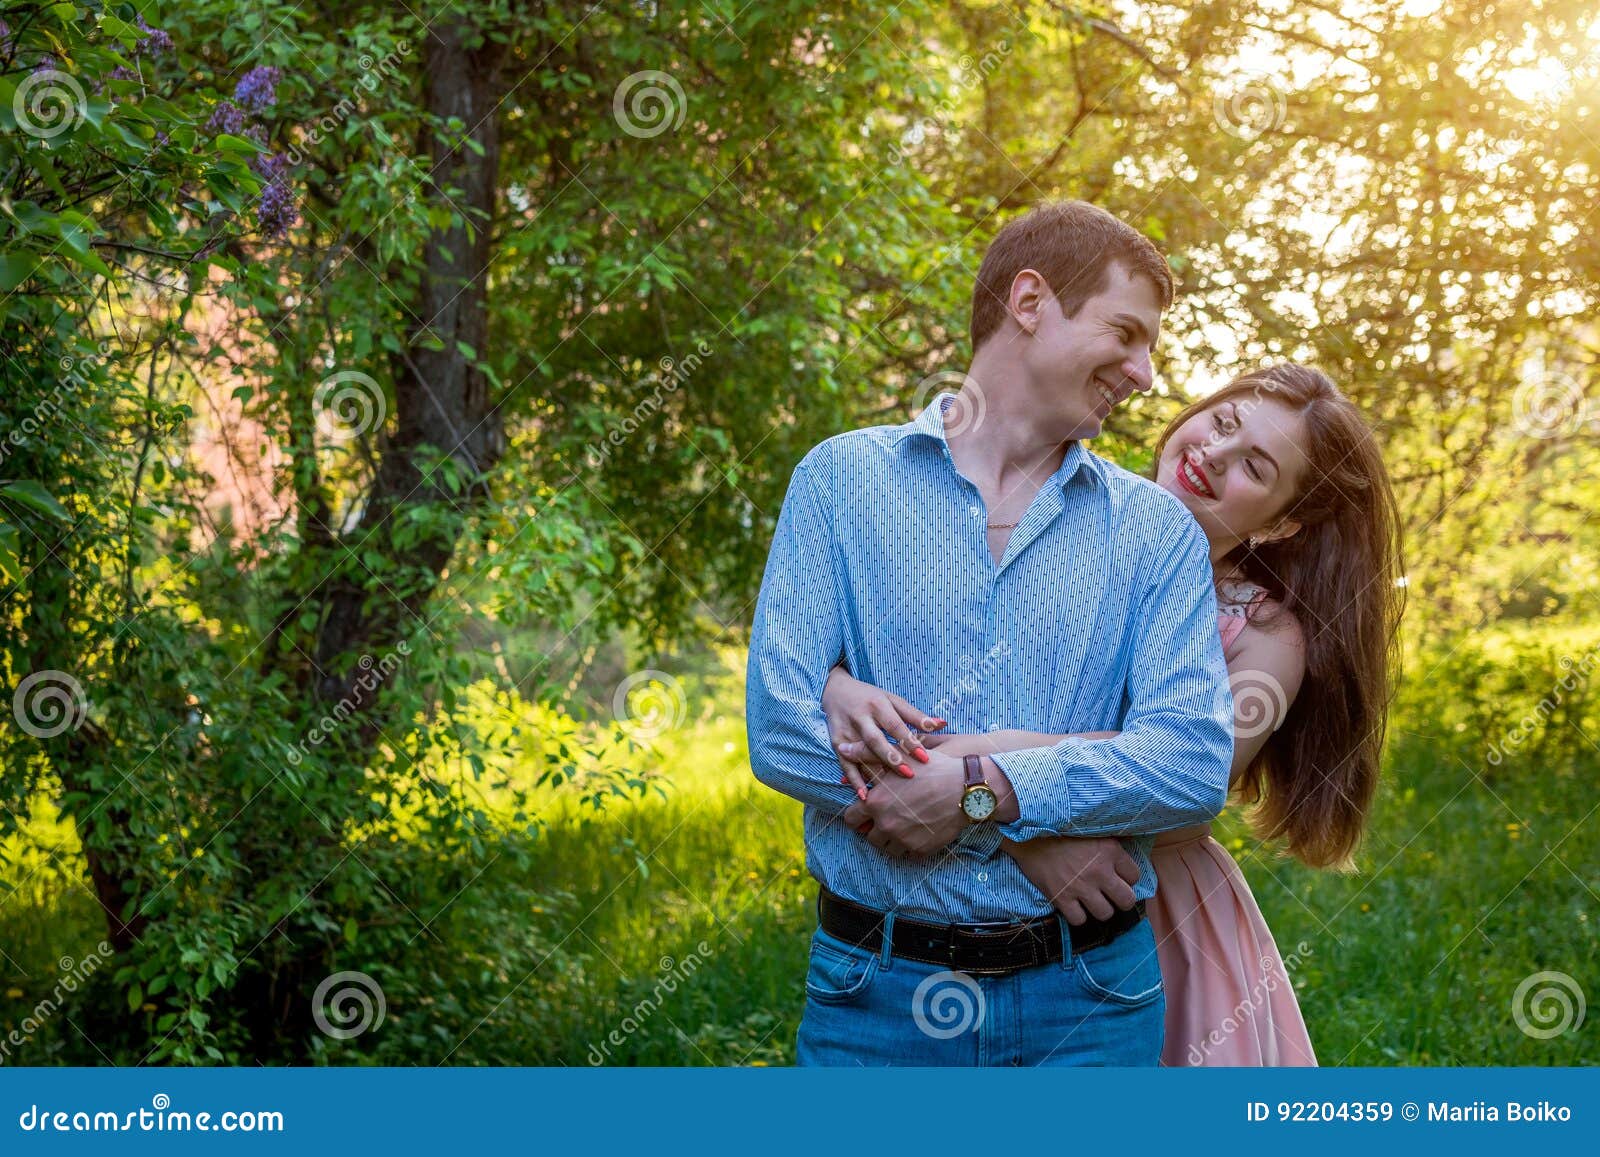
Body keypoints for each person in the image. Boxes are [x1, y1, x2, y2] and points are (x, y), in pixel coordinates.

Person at [745, 200, 1233, 1066]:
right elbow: (782, 733)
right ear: (1031, 300)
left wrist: (982, 789)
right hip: (873, 999)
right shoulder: (839, 481)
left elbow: (1190, 765)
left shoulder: (1158, 533)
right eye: (1126, 333)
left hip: (1090, 1004)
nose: (1147, 373)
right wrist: (1017, 824)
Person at [826, 363, 1404, 1066]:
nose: (1214, 455)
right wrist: (835, 685)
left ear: (1284, 521)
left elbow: (1187, 785)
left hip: (1131, 899)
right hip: (958, 900)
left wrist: (976, 785)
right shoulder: (1060, 522)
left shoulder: (1265, 635)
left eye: (1255, 464)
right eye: (1223, 423)